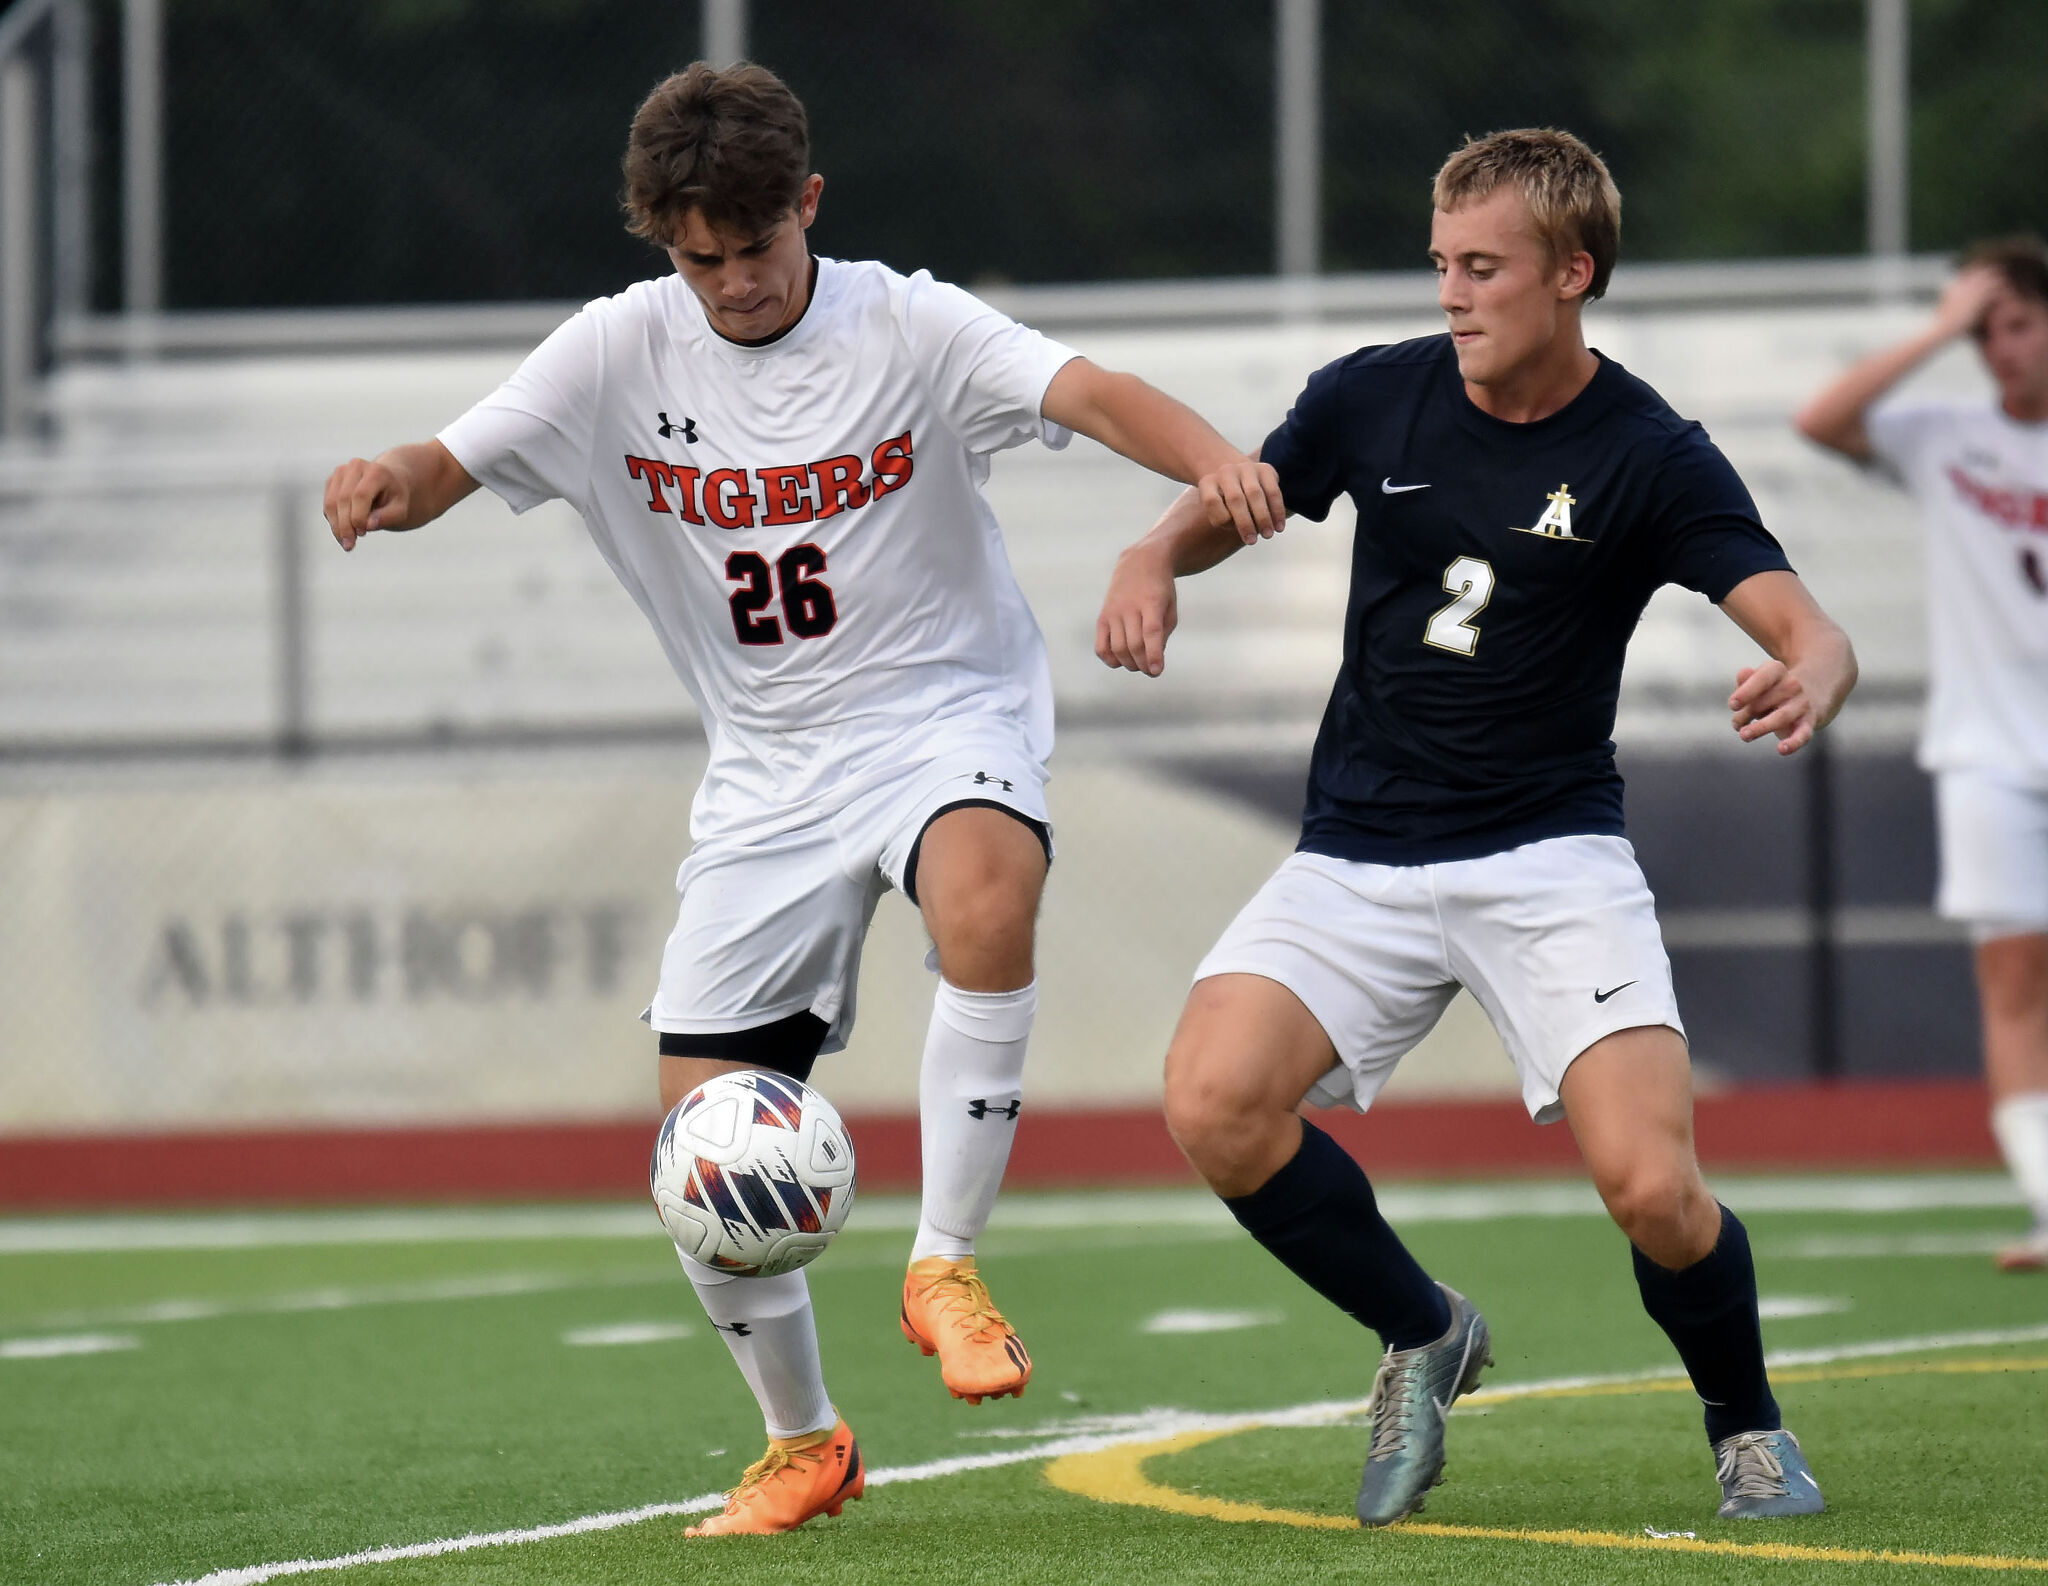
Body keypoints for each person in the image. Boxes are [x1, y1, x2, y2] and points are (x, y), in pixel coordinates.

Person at [321, 61, 1280, 1537]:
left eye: (754, 247)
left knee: (986, 880)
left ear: (808, 205)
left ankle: (945, 1261)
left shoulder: (907, 322)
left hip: (938, 714)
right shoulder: (615, 349)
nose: (732, 282)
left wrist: (1214, 460)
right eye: (697, 257)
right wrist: (389, 478)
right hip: (766, 772)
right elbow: (453, 459)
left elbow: (1088, 391)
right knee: (696, 1146)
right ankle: (804, 1439)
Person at [1096, 128, 1857, 1526]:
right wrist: (1153, 553)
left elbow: (1808, 626)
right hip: (1356, 849)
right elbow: (1240, 498)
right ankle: (1424, 1327)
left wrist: (1808, 672)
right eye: (1441, 264)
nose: (1451, 295)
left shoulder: (1649, 453)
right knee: (1213, 1102)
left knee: (1654, 1189)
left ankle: (1746, 1425)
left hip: (1549, 855)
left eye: (1484, 268)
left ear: (1573, 273)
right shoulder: (1369, 394)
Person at [1796, 239, 2048, 1274]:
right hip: (1987, 752)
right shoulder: (1946, 435)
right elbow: (1820, 419)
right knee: (2013, 982)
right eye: (1984, 333)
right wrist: (1940, 328)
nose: (1999, 348)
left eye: (2017, 324)